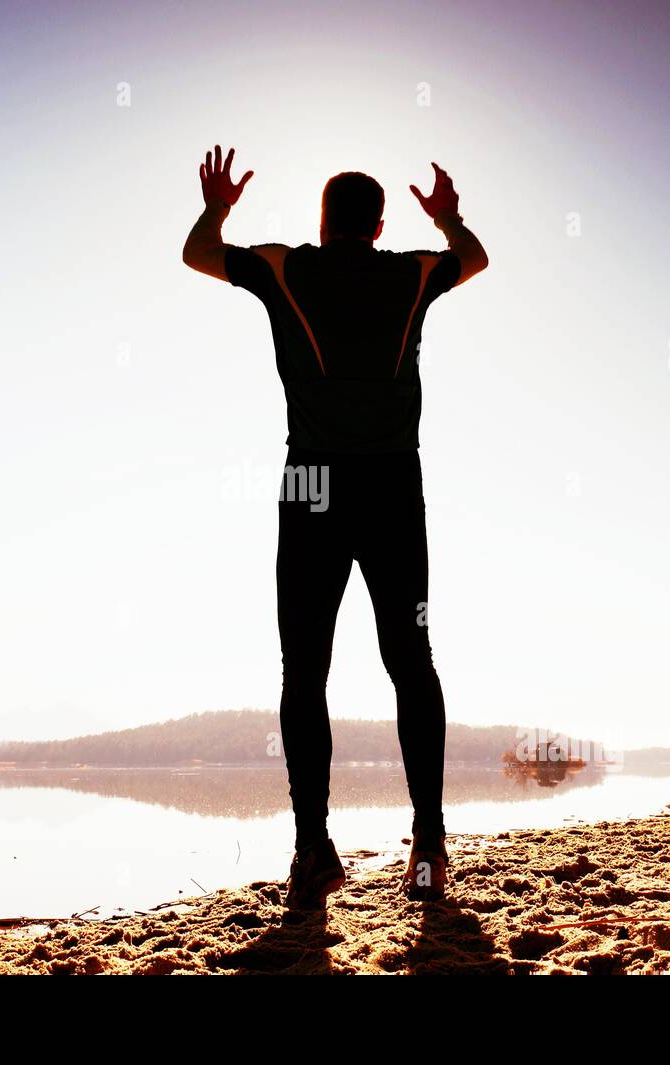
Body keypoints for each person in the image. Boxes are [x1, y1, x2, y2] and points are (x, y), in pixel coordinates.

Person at [182, 145, 488, 908]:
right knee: (410, 659)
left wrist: (219, 206)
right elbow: (474, 258)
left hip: (312, 483)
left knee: (304, 666)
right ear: (380, 222)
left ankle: (313, 849)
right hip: (393, 485)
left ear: (323, 220)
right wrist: (447, 216)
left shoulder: (287, 266)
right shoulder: (412, 272)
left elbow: (196, 253)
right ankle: (429, 845)